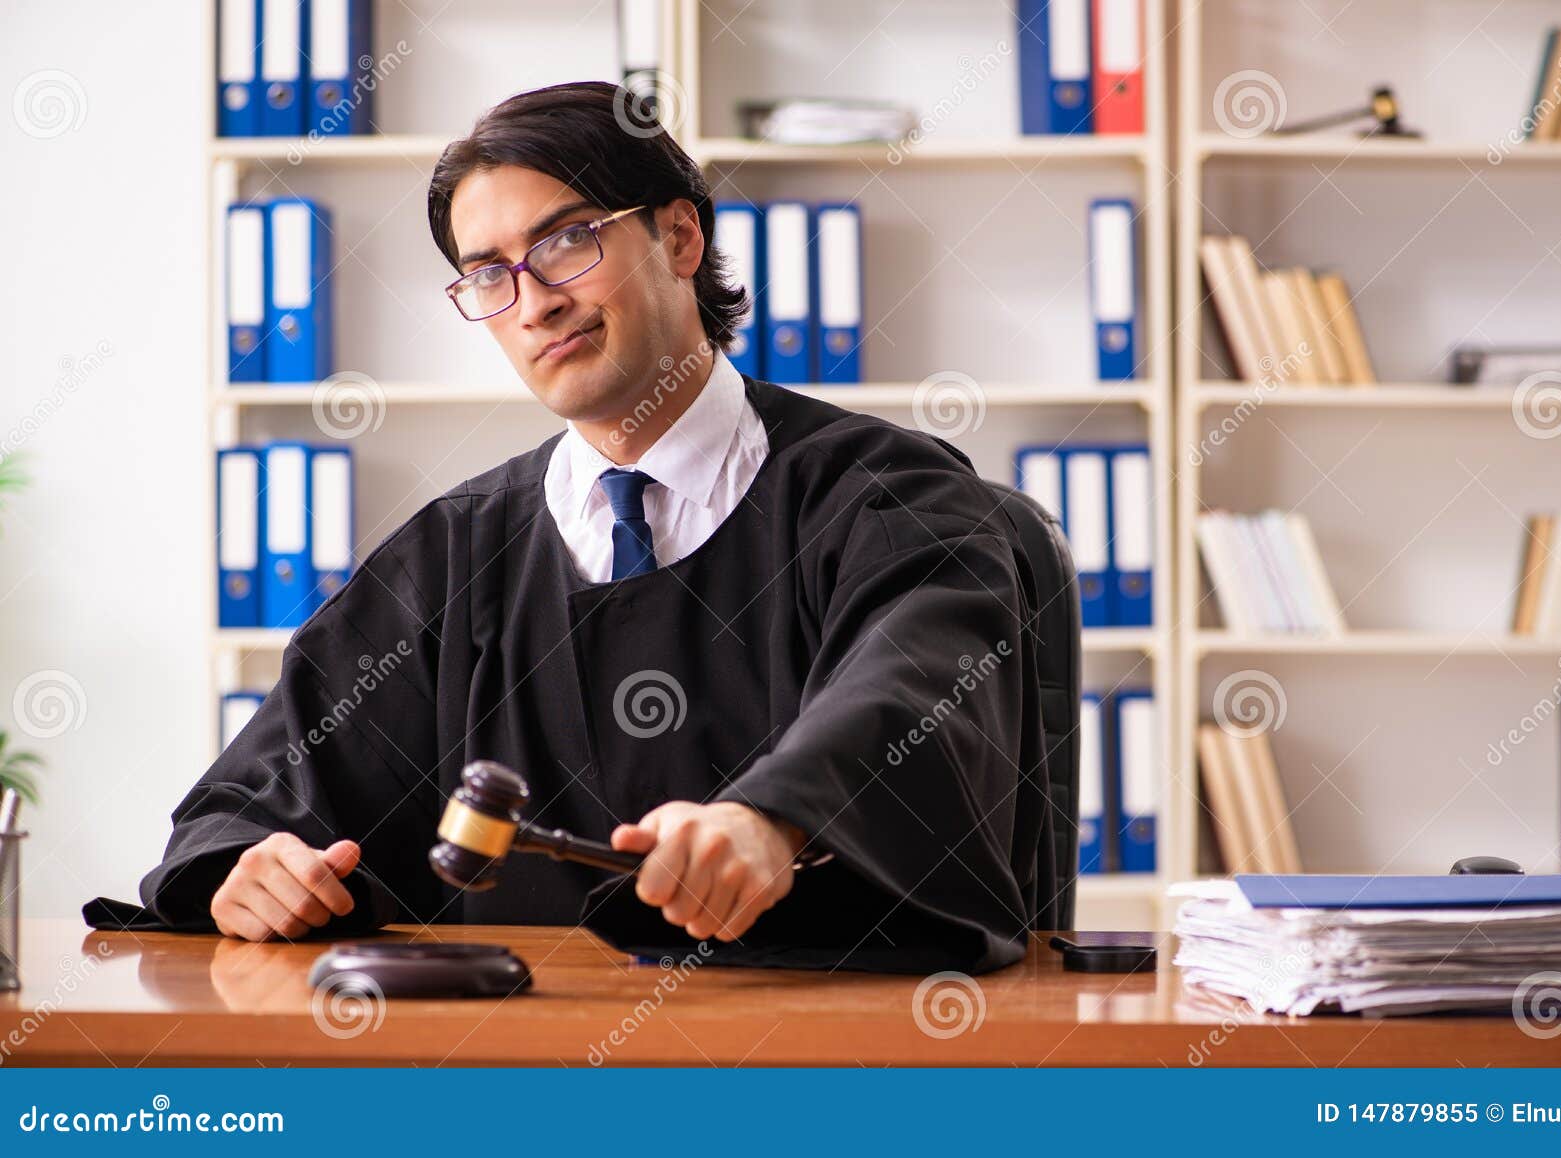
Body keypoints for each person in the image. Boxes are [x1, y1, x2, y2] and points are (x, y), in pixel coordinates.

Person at [92, 82, 1053, 974]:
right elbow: (261, 788)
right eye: (489, 276)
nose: (537, 299)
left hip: (823, 1058)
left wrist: (774, 818)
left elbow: (913, 686)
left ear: (680, 239)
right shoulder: (453, 553)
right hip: (517, 1071)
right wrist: (248, 869)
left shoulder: (887, 493)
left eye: (566, 242)